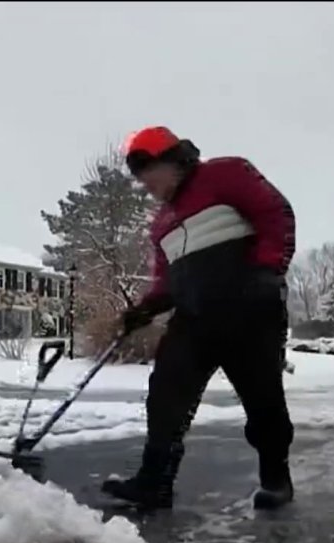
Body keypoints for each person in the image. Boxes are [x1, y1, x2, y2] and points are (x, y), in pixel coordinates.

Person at [101, 126, 296, 510]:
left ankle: (276, 480)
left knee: (263, 399)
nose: (147, 187)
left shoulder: (226, 174)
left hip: (249, 310)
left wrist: (266, 271)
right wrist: (145, 309)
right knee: (165, 396)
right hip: (194, 320)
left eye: (149, 176)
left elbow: (276, 213)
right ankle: (154, 484)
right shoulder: (162, 224)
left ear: (173, 161)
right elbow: (166, 280)